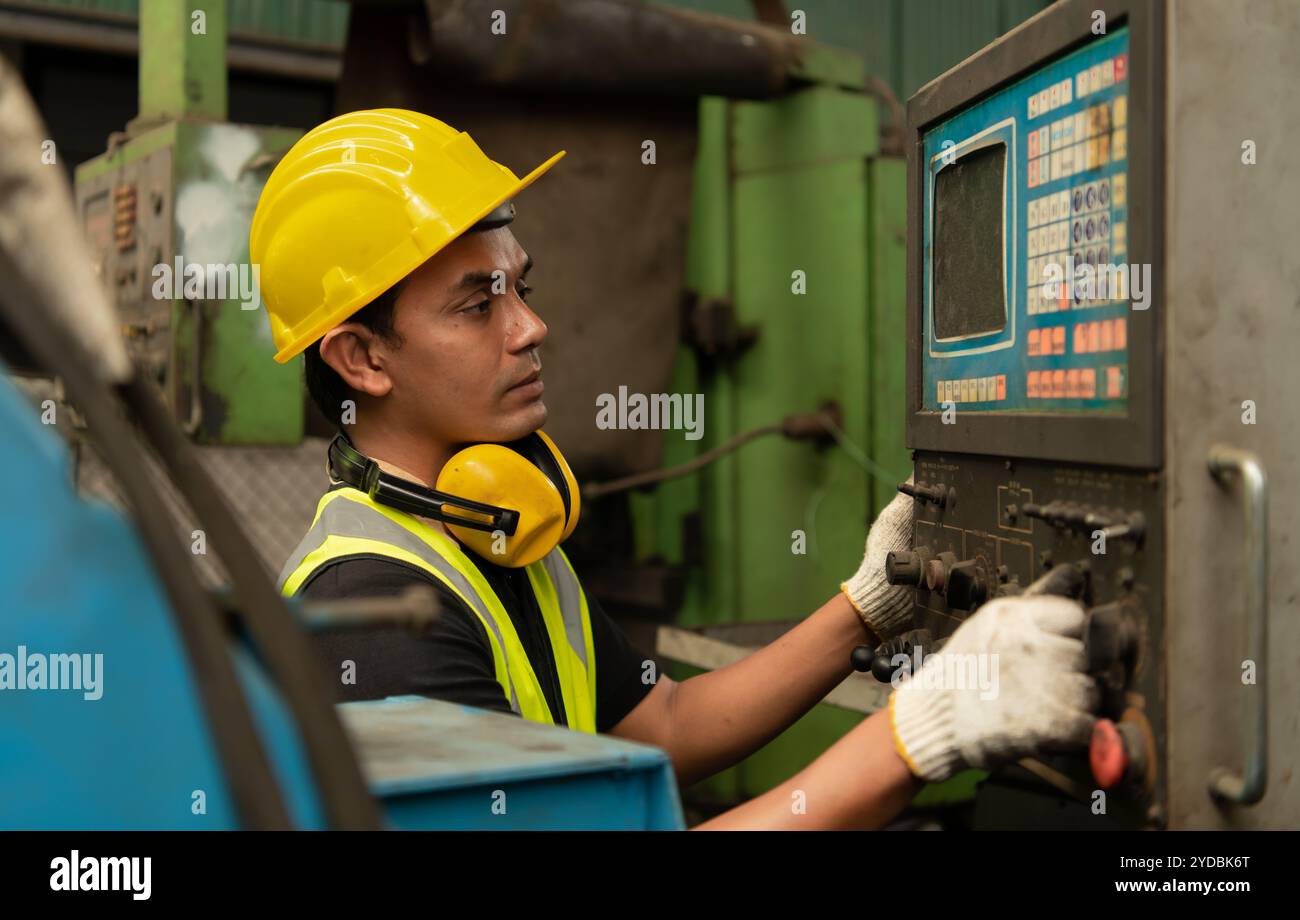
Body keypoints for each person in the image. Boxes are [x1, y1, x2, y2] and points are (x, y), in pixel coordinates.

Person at [251, 109, 1098, 829]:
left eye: (521, 289)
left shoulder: (497, 527)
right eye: (478, 306)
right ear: (362, 357)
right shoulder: (376, 618)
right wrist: (918, 735)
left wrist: (869, 607)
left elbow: (662, 722)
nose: (529, 328)